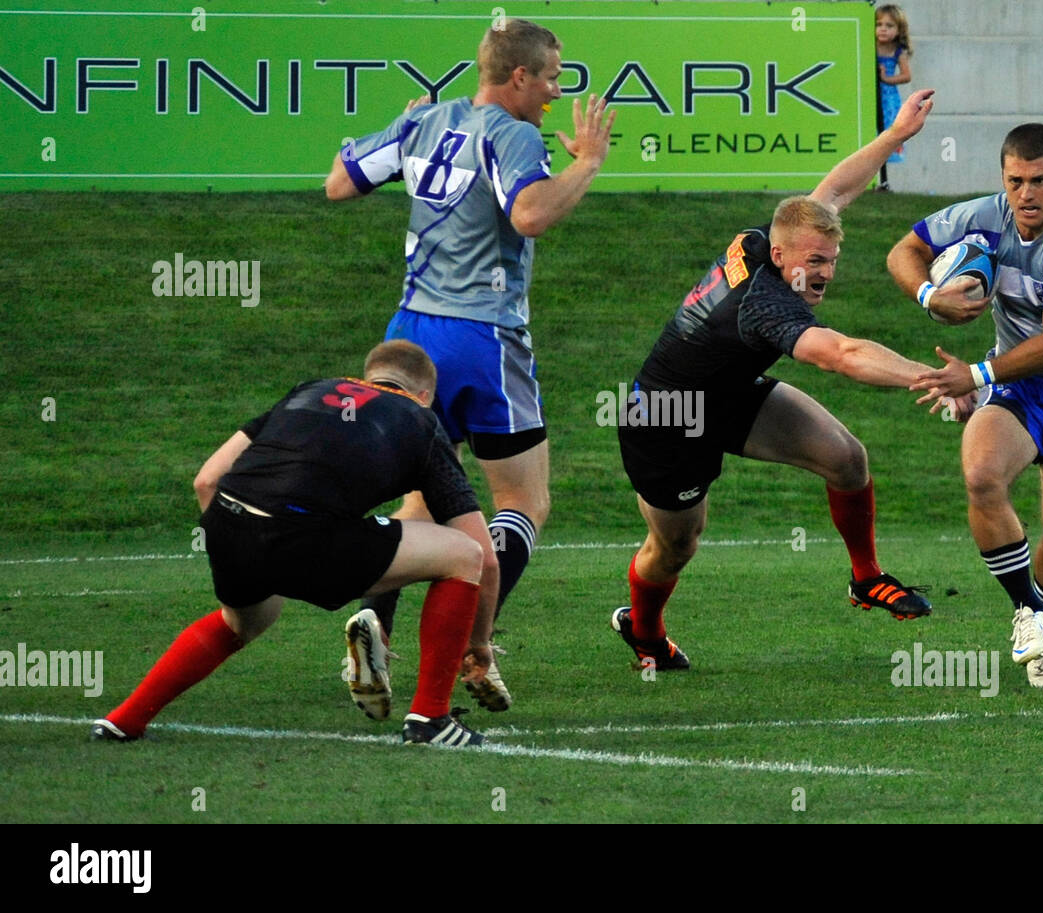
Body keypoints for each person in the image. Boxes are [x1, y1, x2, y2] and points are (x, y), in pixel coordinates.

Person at [612, 88, 969, 672]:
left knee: (846, 459)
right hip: (665, 420)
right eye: (815, 263)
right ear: (781, 256)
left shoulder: (766, 239)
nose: (824, 273)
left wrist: (896, 135)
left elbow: (832, 193)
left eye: (830, 260)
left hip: (724, 395)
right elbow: (843, 355)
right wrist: (935, 377)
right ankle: (644, 632)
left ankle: (865, 578)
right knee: (675, 546)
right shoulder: (766, 305)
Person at [323, 18, 616, 713]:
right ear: (516, 76)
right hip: (482, 339)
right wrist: (588, 164)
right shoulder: (513, 135)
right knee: (524, 501)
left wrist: (401, 130)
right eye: (548, 77)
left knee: (423, 498)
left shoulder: (426, 122)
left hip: (409, 336)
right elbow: (530, 216)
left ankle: (375, 621)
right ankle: (468, 646)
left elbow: (338, 183)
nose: (553, 92)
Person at [92, 341, 494, 747]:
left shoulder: (310, 389)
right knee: (463, 555)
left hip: (230, 522)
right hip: (305, 535)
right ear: (425, 396)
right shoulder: (422, 421)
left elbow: (207, 480)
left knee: (241, 622)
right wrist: (478, 645)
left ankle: (124, 720)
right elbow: (485, 555)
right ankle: (431, 719)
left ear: (368, 375)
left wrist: (249, 544)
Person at [886, 123, 1043, 688]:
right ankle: (1028, 615)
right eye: (1016, 180)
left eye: (1040, 180)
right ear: (1004, 179)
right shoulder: (984, 215)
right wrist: (928, 295)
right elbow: (905, 250)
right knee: (981, 474)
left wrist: (974, 374)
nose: (1026, 194)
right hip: (1016, 387)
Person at [874, 4, 913, 189]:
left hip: (887, 97)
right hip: (870, 96)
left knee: (888, 133)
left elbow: (906, 75)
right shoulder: (868, 45)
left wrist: (886, 78)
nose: (882, 29)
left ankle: (883, 180)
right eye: (879, 24)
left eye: (889, 26)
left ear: (899, 30)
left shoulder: (898, 50)